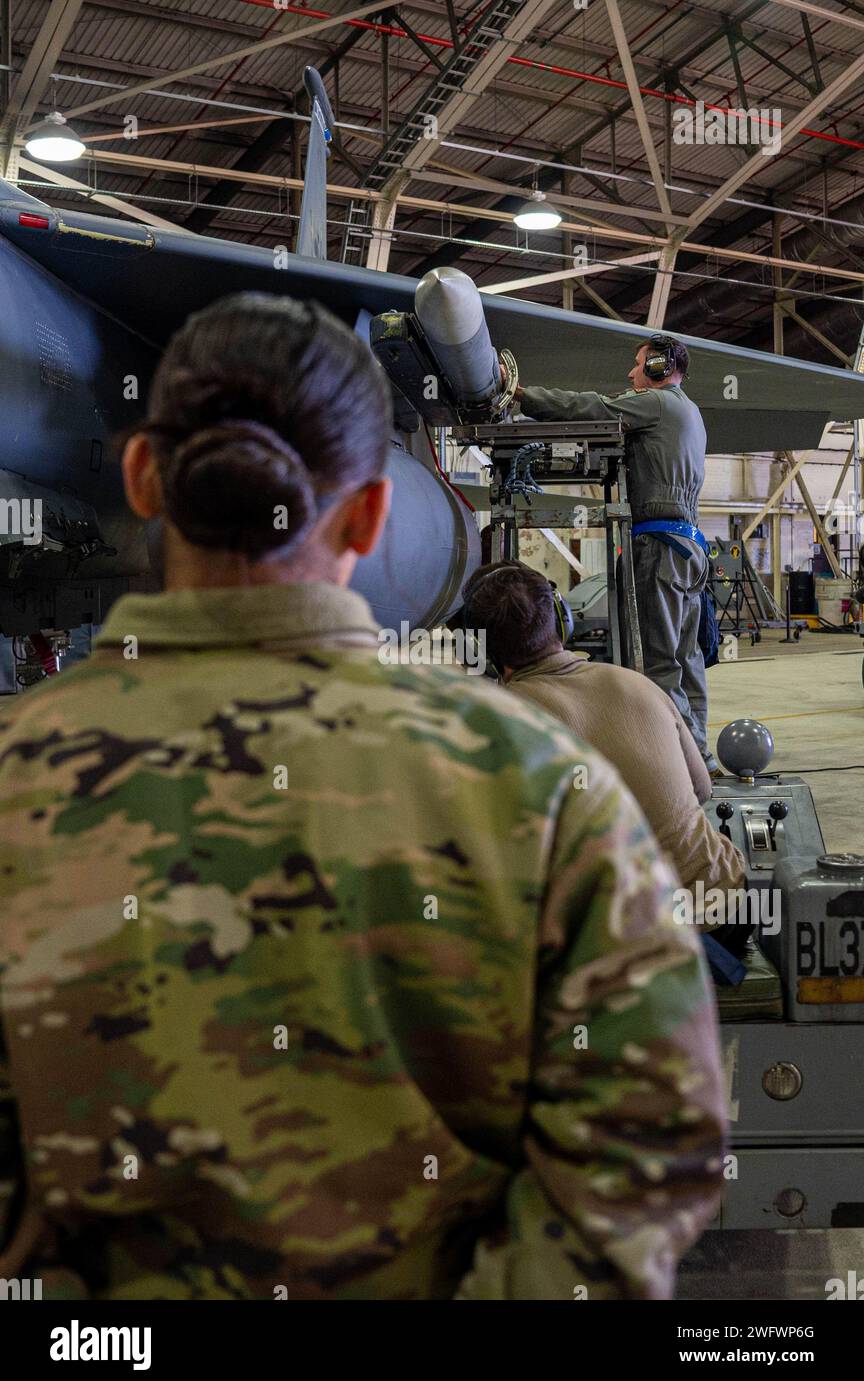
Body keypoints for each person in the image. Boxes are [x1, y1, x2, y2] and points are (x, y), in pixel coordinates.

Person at [0, 293, 726, 1302]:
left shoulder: (18, 774)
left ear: (139, 478)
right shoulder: (530, 780)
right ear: (379, 510)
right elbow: (659, 1138)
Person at [460, 560, 744, 901]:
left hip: (639, 936)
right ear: (562, 621)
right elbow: (701, 789)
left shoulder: (497, 719)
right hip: (728, 903)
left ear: (484, 652)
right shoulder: (638, 684)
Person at [507, 336, 718, 775]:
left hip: (660, 544)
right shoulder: (691, 412)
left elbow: (594, 407)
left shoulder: (657, 403)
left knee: (659, 660)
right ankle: (700, 754)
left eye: (638, 365)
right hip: (690, 545)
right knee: (687, 657)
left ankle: (675, 766)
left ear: (660, 367)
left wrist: (523, 395)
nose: (631, 374)